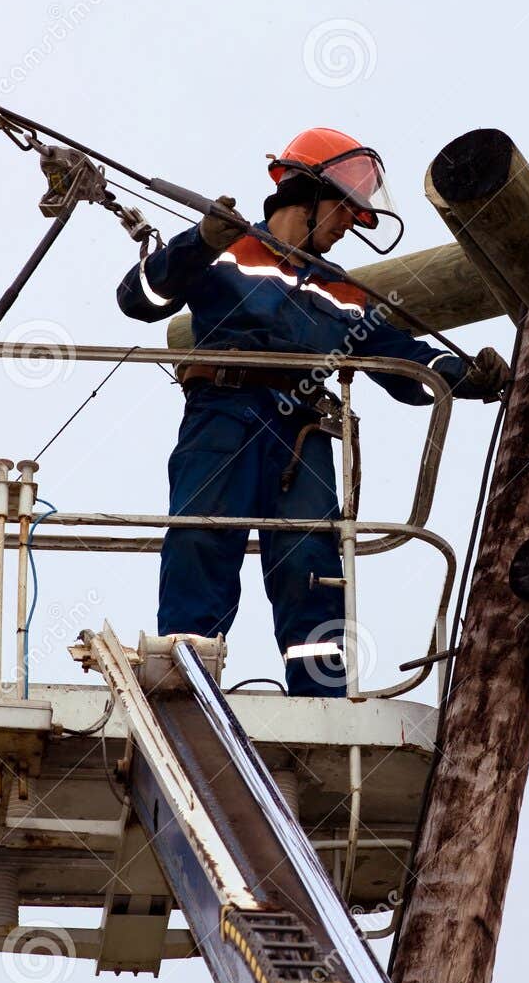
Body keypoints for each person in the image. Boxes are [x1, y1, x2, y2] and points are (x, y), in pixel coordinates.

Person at [116, 127, 509, 696]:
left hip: (300, 433)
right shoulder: (225, 247)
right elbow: (140, 300)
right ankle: (186, 682)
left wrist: (467, 376)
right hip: (222, 417)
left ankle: (321, 696)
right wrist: (198, 241)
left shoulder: (343, 293)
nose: (351, 224)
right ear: (307, 193)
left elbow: (401, 362)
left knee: (313, 562)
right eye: (346, 210)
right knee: (201, 541)